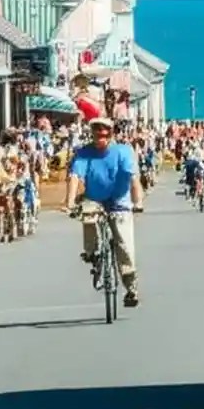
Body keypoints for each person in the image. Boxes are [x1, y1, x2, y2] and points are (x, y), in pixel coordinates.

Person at [64, 117, 145, 307]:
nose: (101, 135)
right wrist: (69, 202)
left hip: (119, 201)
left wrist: (138, 202)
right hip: (95, 199)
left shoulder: (123, 152)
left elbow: (133, 179)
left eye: (105, 132)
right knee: (88, 216)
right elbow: (75, 177)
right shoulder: (84, 153)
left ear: (111, 134)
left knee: (124, 245)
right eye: (97, 131)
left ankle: (131, 288)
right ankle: (92, 253)